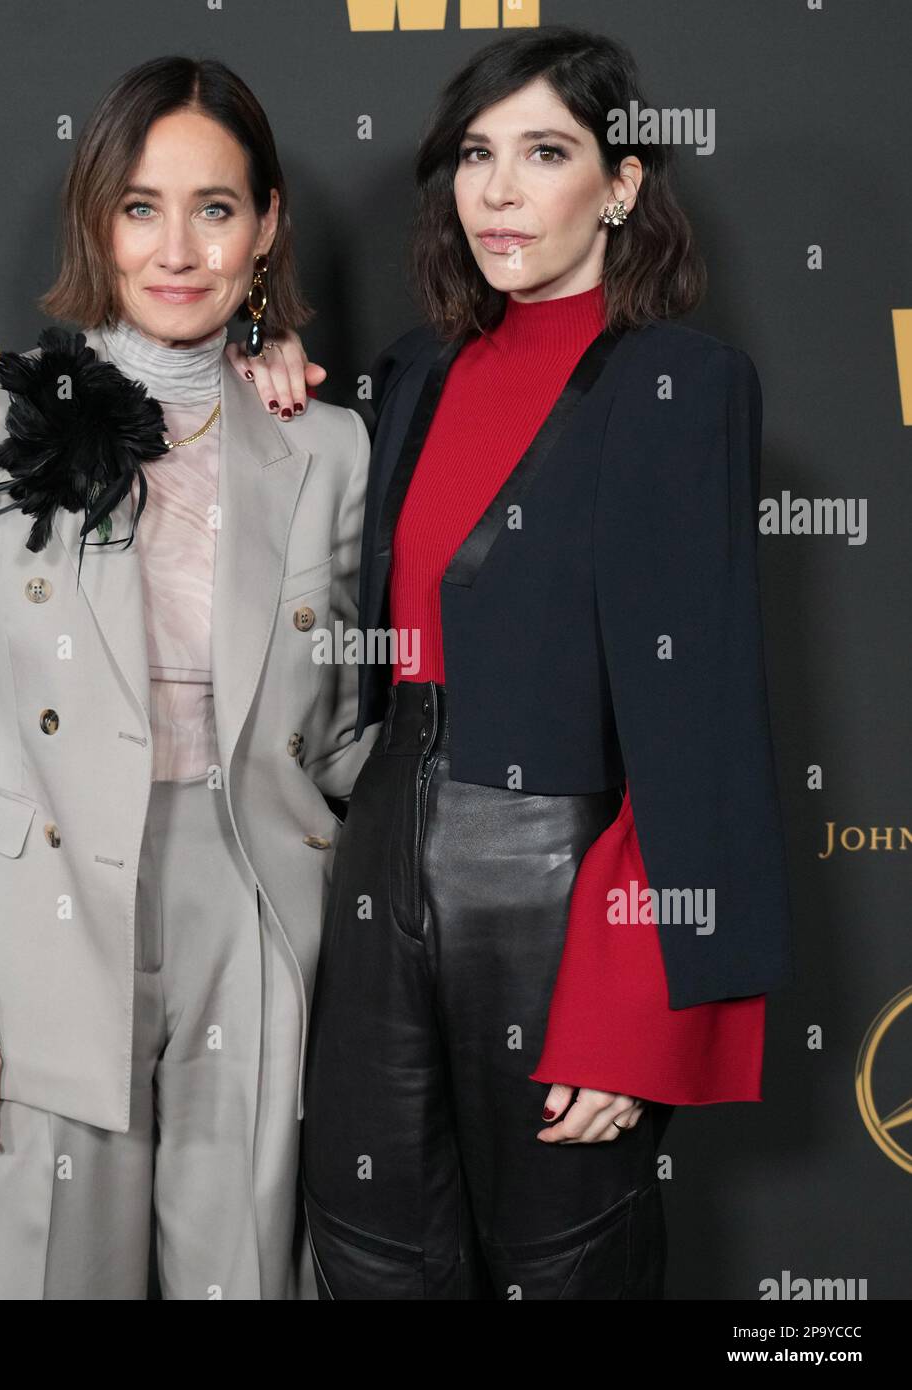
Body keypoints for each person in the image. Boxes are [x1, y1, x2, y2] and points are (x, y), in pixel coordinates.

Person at [230, 26, 795, 1299]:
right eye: (476, 155)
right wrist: (257, 351)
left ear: (622, 182)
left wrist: (636, 1005)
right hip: (376, 884)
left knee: (563, 1268)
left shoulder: (678, 385)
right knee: (371, 1257)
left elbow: (696, 715)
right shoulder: (414, 374)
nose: (496, 189)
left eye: (544, 153)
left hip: (555, 903)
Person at [0, 55, 377, 1300]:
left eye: (215, 208)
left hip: (257, 915)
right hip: (45, 923)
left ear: (265, 228)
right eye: (141, 206)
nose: (177, 247)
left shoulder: (322, 442)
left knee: (245, 1280)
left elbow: (336, 729)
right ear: (96, 220)